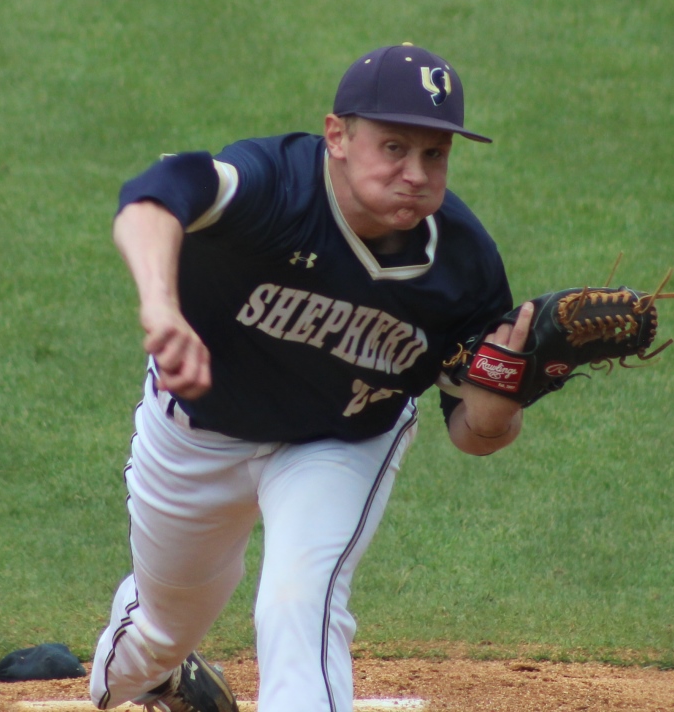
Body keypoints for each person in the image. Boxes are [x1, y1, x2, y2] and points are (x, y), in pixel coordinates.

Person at [89, 44, 536, 712]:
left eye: (434, 155)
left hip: (340, 443)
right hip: (199, 435)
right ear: (337, 136)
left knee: (301, 602)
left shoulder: (465, 268)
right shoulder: (276, 185)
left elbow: (474, 433)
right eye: (393, 147)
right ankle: (160, 674)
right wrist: (160, 303)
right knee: (160, 629)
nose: (415, 174)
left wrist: (499, 401)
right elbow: (152, 196)